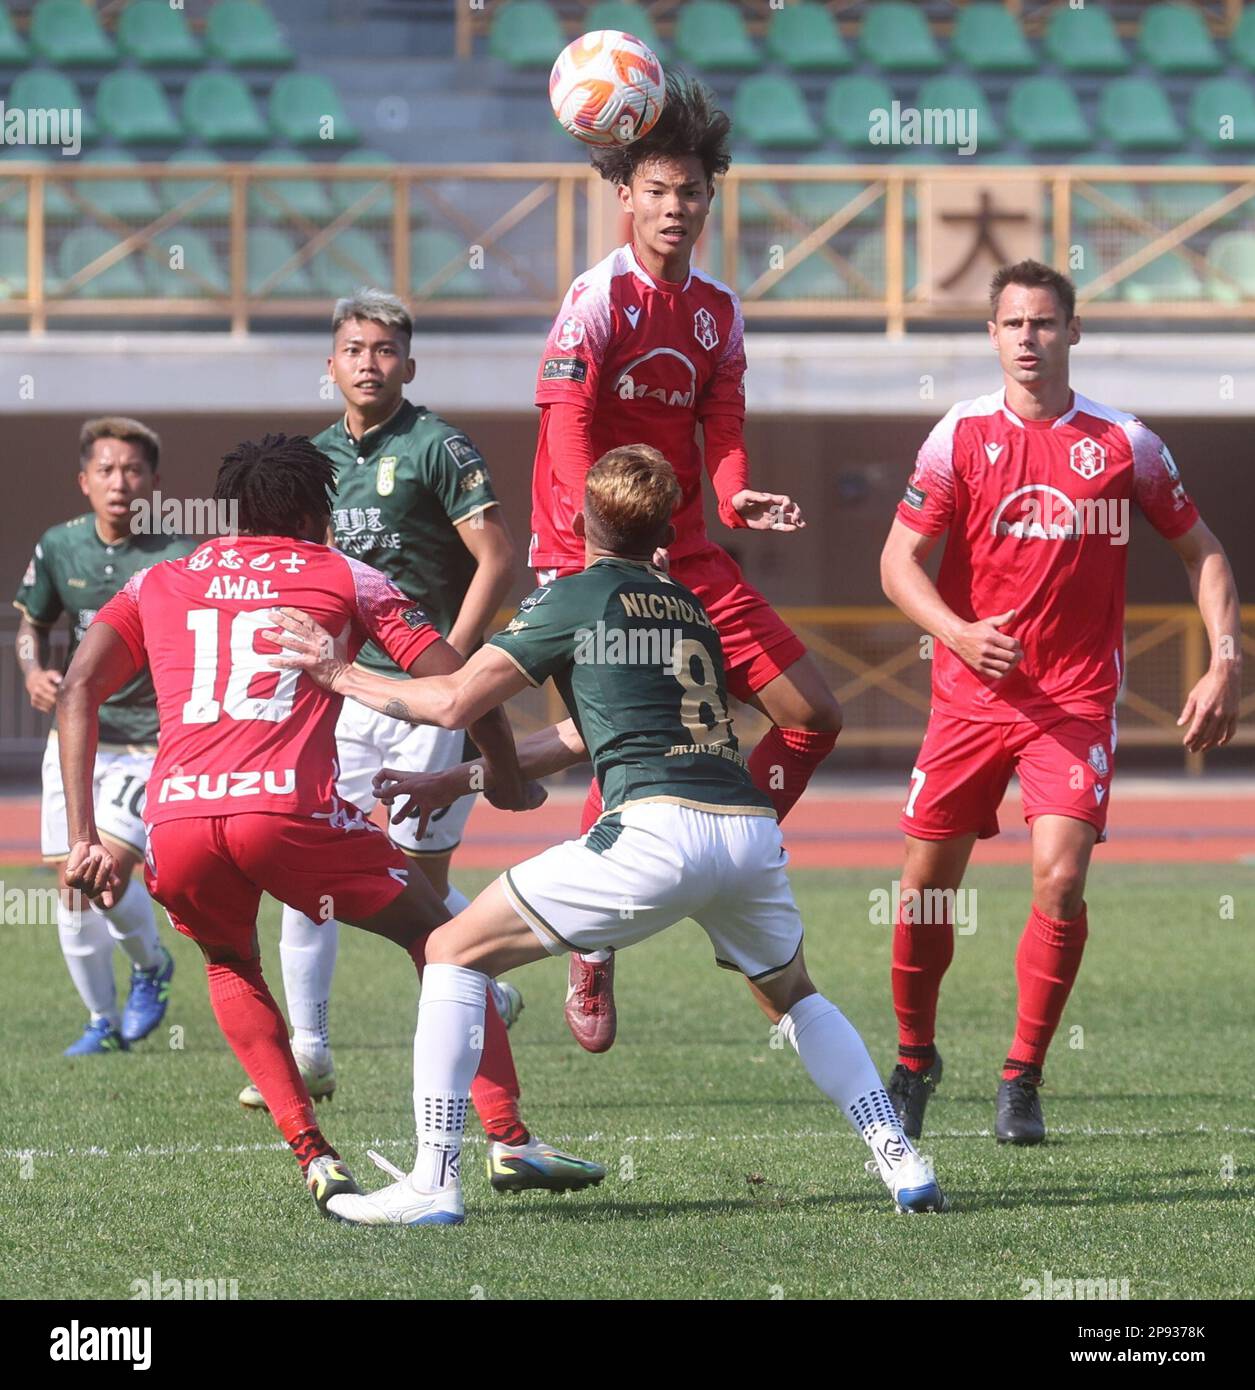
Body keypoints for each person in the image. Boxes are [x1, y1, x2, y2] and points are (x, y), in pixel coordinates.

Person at [268, 445, 946, 1226]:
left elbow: (452, 701)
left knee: (452, 949)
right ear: (660, 530)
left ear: (578, 517)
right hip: (745, 830)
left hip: (653, 833)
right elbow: (582, 734)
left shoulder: (573, 598)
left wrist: (339, 672)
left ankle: (433, 1179)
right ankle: (902, 1162)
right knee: (794, 994)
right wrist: (454, 781)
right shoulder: (683, 599)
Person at [58, 435, 604, 1216]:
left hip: (177, 817)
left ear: (234, 513)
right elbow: (452, 681)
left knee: (227, 961)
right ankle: (510, 1139)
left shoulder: (157, 579)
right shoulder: (344, 572)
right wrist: (506, 779)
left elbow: (79, 686)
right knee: (449, 944)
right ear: (319, 513)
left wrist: (84, 835)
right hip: (287, 810)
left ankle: (315, 1155)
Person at [879, 259, 1241, 1145]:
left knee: (1061, 878)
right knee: (924, 893)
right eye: (1012, 324)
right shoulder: (956, 437)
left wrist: (1224, 660)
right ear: (991, 336)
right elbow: (895, 564)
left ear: (1072, 332)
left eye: (1044, 323)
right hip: (968, 700)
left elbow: (1205, 553)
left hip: (1073, 703)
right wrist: (957, 632)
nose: (1028, 339)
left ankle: (1021, 1076)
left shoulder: (1124, 444)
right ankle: (915, 1058)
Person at [530, 73, 842, 1052]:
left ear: (711, 198)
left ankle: (742, 850)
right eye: (657, 189)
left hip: (691, 548)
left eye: (692, 191)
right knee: (620, 751)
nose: (675, 207)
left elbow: (722, 420)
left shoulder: (715, 308)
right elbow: (567, 424)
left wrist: (739, 488)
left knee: (813, 716)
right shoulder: (595, 300)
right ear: (624, 194)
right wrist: (599, 541)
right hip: (594, 555)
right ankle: (591, 945)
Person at [236, 289, 522, 1112]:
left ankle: (483, 978)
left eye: (385, 349)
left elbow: (497, 559)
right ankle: (311, 1049)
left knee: (416, 874)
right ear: (330, 364)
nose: (369, 362)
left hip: (425, 693)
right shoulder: (314, 458)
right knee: (305, 858)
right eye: (354, 349)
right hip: (344, 688)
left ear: (409, 363)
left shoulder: (437, 445)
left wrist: (455, 671)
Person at [14, 417, 190, 1054]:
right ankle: (101, 1020)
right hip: (77, 740)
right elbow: (32, 623)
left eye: (134, 470)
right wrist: (33, 671)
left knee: (106, 869)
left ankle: (150, 966)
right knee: (72, 884)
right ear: (84, 480)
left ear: (154, 482)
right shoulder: (59, 546)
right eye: (107, 471)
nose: (121, 482)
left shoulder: (176, 558)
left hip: (152, 745)